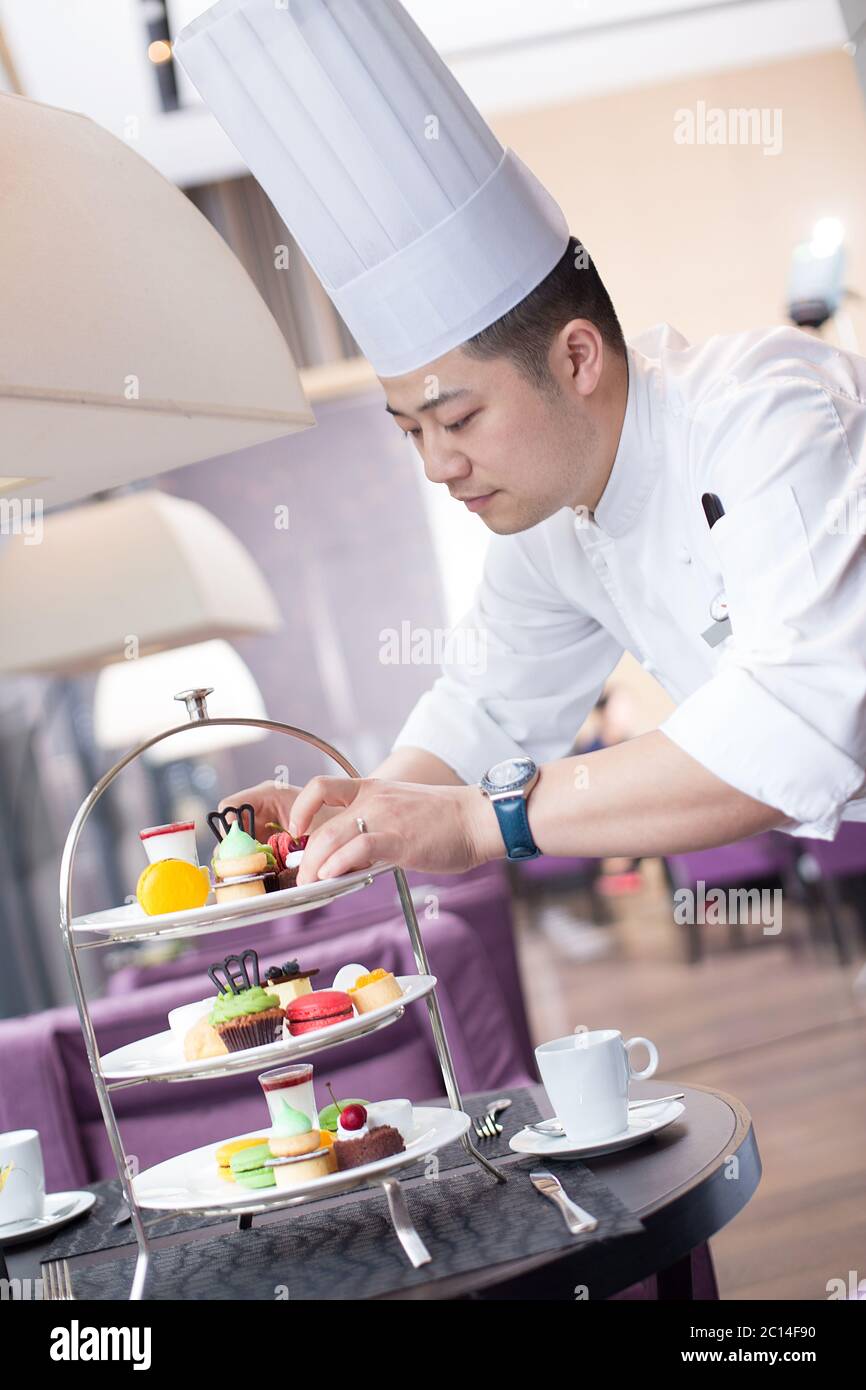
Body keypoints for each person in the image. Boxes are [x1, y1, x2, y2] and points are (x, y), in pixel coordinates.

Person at [176, 1, 866, 888]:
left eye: (457, 420)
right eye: (410, 432)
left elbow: (797, 722)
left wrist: (484, 819)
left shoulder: (772, 414)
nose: (437, 465)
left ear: (576, 355)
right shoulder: (554, 521)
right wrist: (367, 809)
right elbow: (486, 708)